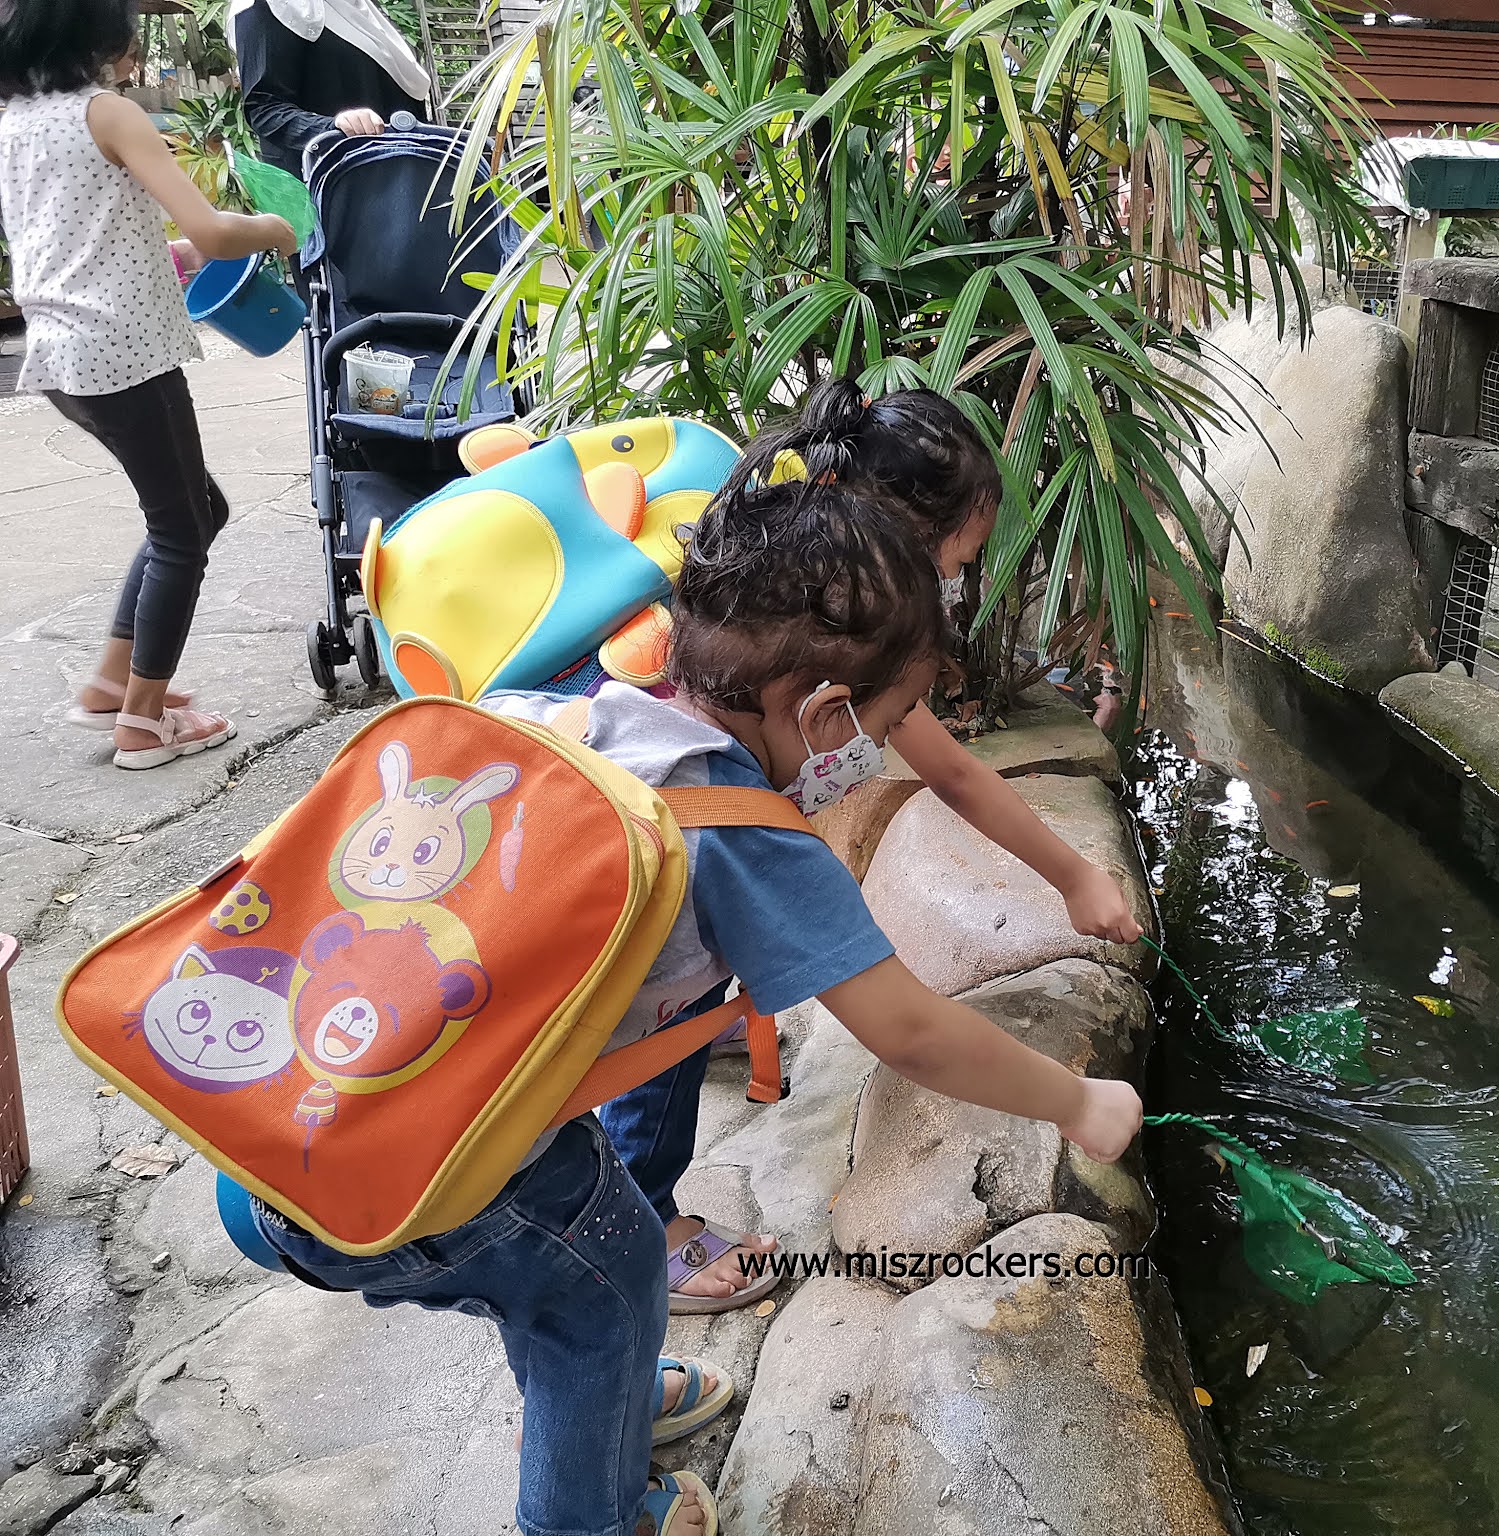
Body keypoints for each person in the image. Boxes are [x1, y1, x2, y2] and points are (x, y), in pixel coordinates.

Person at [260, 476, 1144, 1536]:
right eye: (893, 718)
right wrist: (1075, 1104)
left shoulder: (565, 709)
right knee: (603, 1276)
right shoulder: (742, 831)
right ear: (821, 714)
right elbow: (909, 1030)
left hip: (289, 1112)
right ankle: (595, 1506)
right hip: (401, 1182)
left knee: (575, 1254)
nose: (892, 741)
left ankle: (601, 1407)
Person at [603, 380, 1148, 1310]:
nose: (947, 588)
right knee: (642, 1093)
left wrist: (1072, 876)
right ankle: (641, 1231)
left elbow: (953, 772)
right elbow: (910, 1031)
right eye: (950, 563)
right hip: (510, 1156)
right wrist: (1078, 1102)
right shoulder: (769, 795)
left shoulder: (732, 652)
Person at [0, 0, 299, 770]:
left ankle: (109, 680)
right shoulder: (111, 113)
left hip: (65, 358)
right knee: (182, 532)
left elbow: (82, 230)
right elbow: (217, 233)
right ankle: (141, 720)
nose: (138, 34)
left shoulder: (20, 120)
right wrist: (277, 227)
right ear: (94, 33)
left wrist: (175, 251)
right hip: (122, 357)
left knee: (199, 508)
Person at [229, 0, 431, 175]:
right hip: (334, 191)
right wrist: (332, 127)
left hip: (402, 178)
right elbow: (264, 107)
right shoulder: (269, 7)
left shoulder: (362, 9)